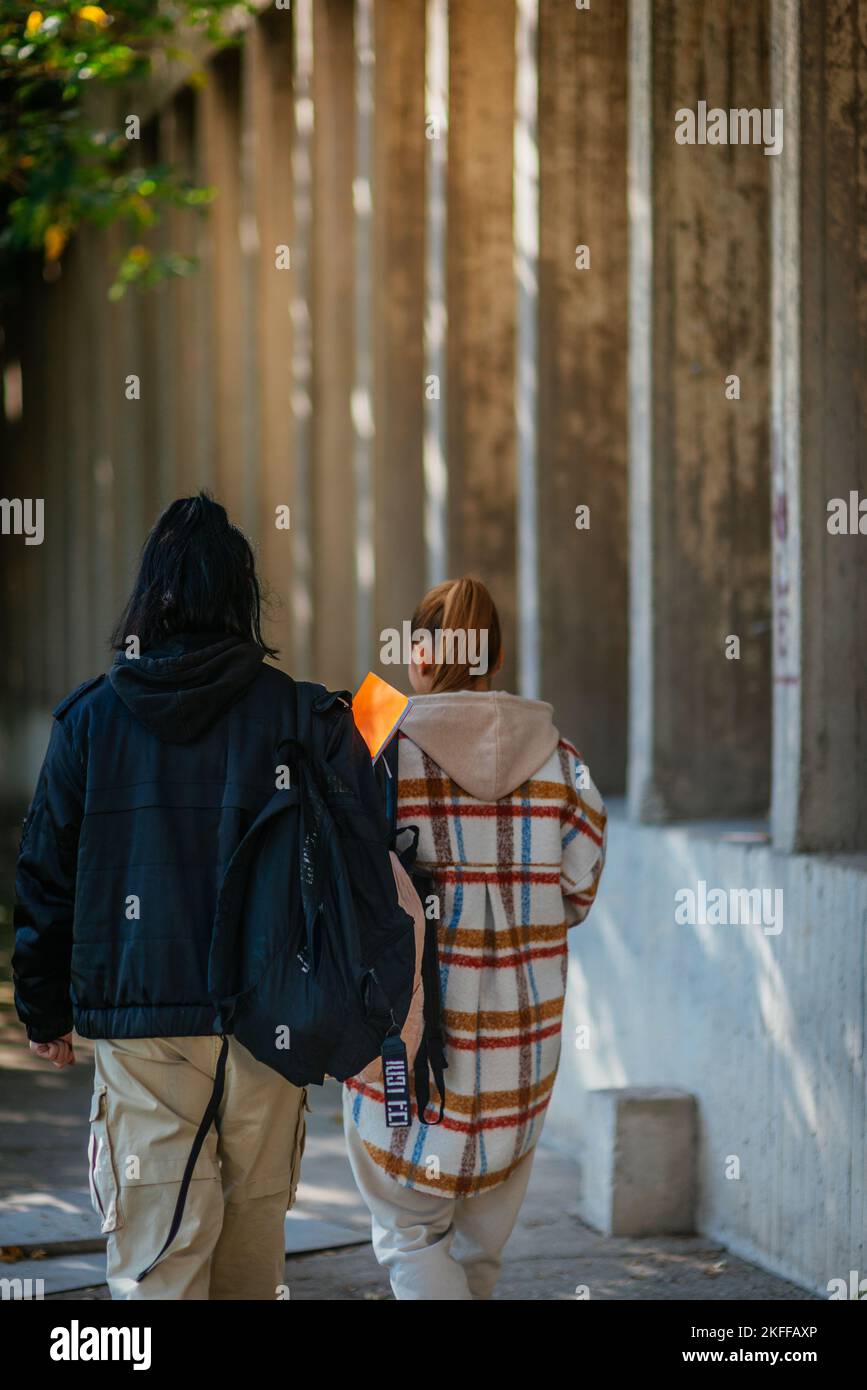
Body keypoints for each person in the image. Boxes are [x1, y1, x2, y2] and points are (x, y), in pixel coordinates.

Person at [12, 492, 400, 1301]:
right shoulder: (298, 713)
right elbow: (366, 862)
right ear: (242, 598)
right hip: (271, 1022)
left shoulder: (90, 723)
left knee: (155, 1261)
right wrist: (366, 1015)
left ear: (148, 597)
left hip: (142, 1023)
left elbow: (46, 871)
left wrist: (44, 1007)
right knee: (250, 1268)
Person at [343, 577, 608, 1299]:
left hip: (402, 1042)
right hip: (519, 1053)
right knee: (477, 1251)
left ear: (421, 654)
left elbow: (328, 873)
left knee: (408, 1236)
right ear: (490, 660)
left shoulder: (372, 728)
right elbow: (579, 890)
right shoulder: (559, 755)